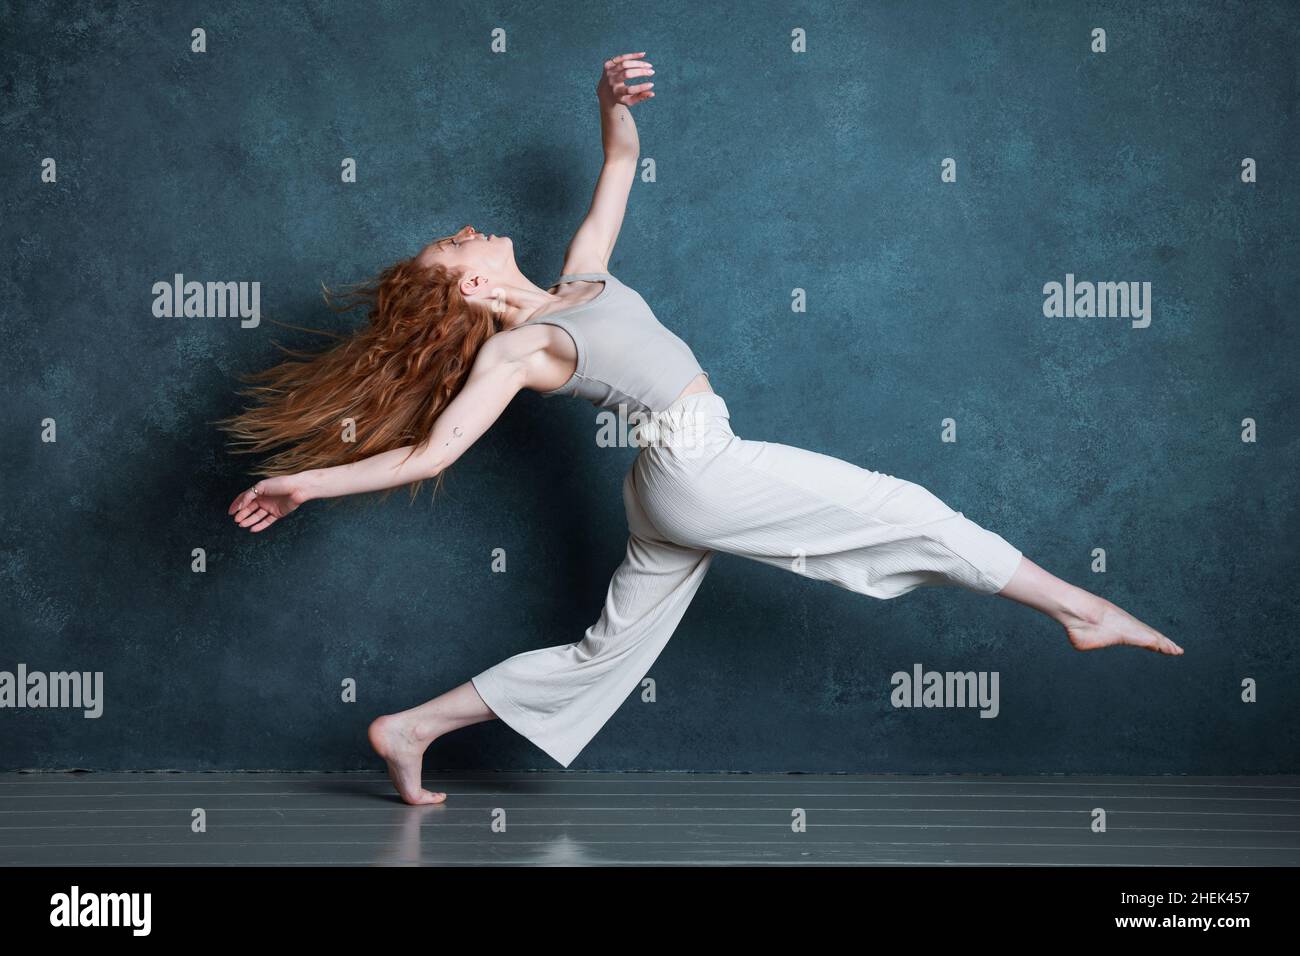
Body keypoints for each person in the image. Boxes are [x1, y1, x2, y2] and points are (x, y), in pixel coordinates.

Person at [221, 51, 1182, 806]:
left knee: (603, 656)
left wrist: (608, 98)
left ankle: (411, 728)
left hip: (666, 491)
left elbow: (620, 162)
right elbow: (434, 452)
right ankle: (1081, 611)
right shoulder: (519, 350)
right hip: (695, 464)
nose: (469, 226)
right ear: (470, 286)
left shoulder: (580, 281)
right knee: (913, 507)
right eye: (457, 241)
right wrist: (307, 482)